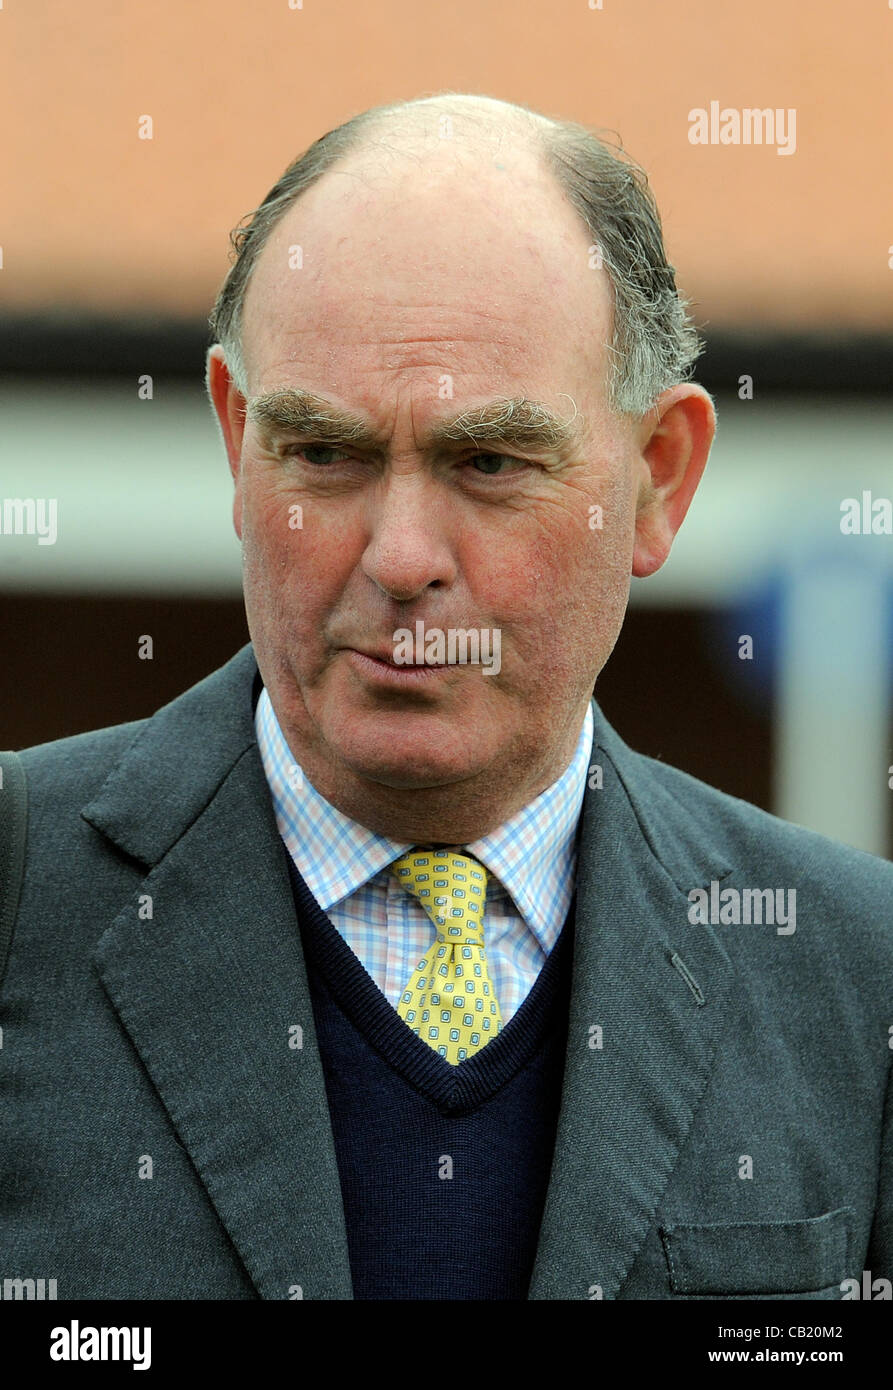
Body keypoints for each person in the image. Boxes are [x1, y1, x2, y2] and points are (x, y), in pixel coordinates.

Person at [1, 92, 890, 1302]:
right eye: (324, 453)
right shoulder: (19, 894)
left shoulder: (852, 968)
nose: (401, 554)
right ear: (232, 438)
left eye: (487, 462)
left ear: (656, 479)